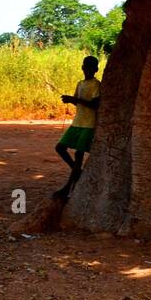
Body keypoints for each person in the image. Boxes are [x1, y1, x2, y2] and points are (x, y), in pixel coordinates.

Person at [53, 55, 101, 200]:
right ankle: (78, 172)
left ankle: (68, 188)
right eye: (86, 67)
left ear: (96, 69)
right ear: (82, 68)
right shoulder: (80, 83)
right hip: (77, 122)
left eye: (91, 68)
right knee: (60, 148)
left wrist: (75, 99)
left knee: (79, 154)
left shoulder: (96, 84)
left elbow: (95, 105)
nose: (88, 70)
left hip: (89, 124)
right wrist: (70, 100)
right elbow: (78, 102)